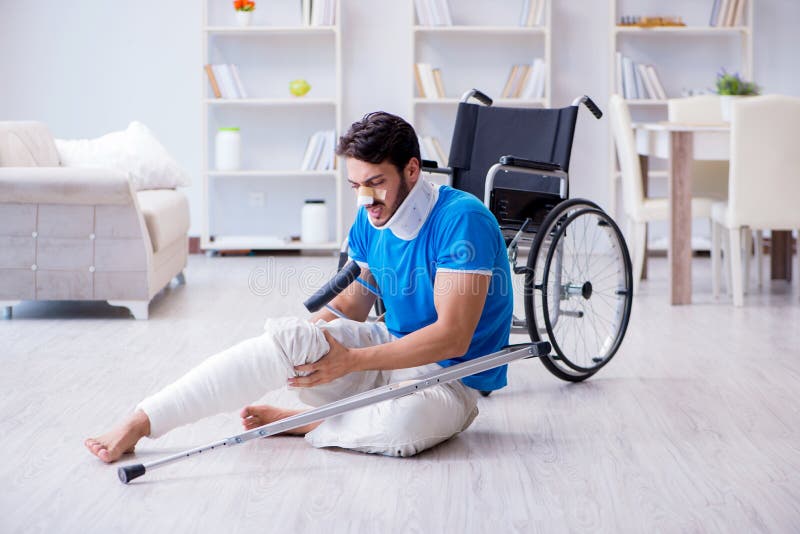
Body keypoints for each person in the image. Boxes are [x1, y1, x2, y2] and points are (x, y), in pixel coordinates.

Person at [85, 111, 513, 462]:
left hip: (453, 377)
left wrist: (353, 361)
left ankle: (306, 421)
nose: (365, 199)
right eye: (355, 186)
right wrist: (302, 343)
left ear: (412, 170)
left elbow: (452, 336)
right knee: (291, 340)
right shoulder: (370, 218)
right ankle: (143, 419)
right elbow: (354, 302)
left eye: (376, 182)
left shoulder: (462, 220)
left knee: (402, 426)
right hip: (387, 349)